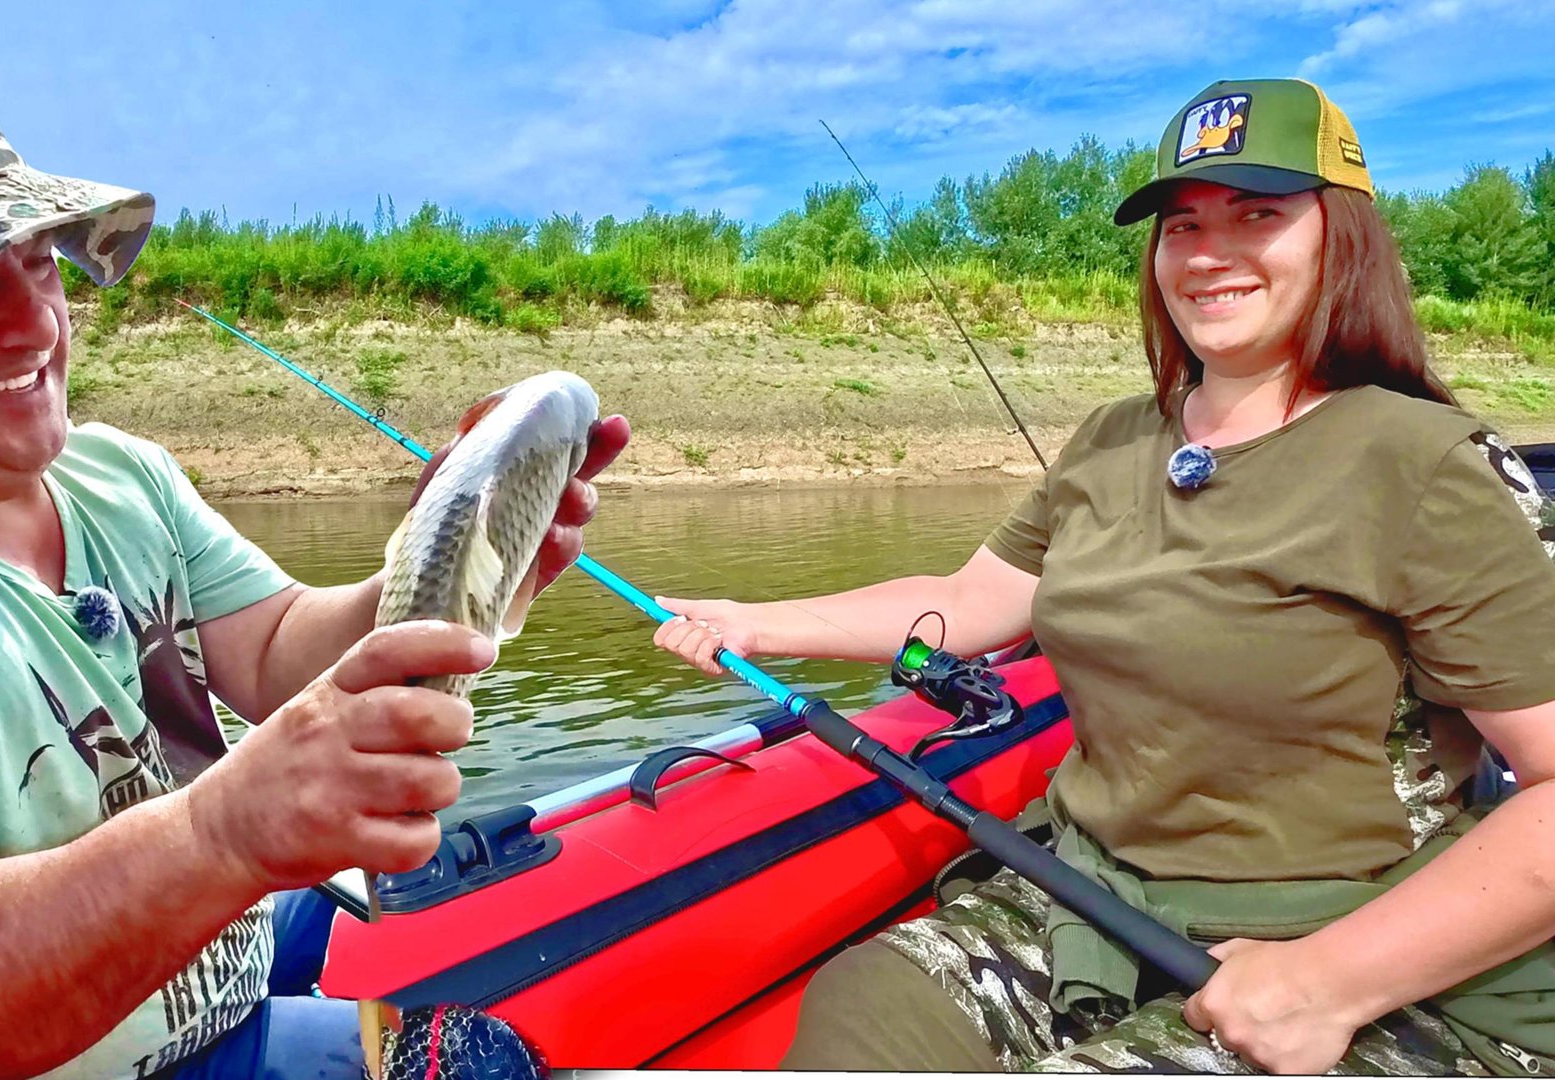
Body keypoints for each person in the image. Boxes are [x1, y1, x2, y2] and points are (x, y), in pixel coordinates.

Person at [0, 47, 628, 1080]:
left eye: (33, 258)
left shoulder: (121, 476)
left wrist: (444, 572)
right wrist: (222, 835)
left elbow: (283, 648)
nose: (36, 322)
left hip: (213, 976)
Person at [654, 78, 1555, 1076]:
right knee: (866, 1010)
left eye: (1257, 213)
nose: (1208, 252)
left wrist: (1333, 979)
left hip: (1346, 929)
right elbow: (964, 608)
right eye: (1181, 224)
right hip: (1097, 894)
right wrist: (753, 621)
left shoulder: (1428, 465)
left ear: (1339, 237)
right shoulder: (1113, 439)